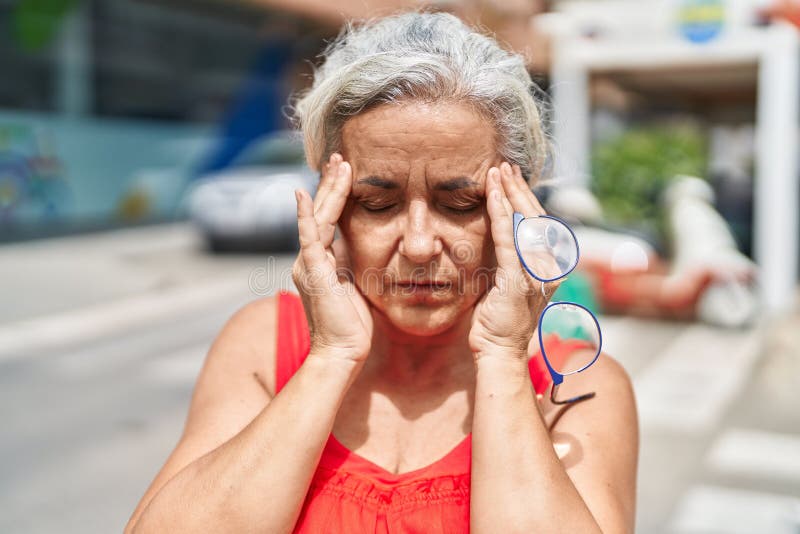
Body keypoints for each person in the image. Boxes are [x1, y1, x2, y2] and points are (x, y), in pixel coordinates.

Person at [125, 12, 638, 533]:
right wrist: (331, 357)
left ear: (521, 205)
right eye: (376, 204)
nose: (418, 245)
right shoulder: (265, 344)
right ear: (332, 202)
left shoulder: (574, 384)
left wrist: (504, 357)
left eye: (461, 204)